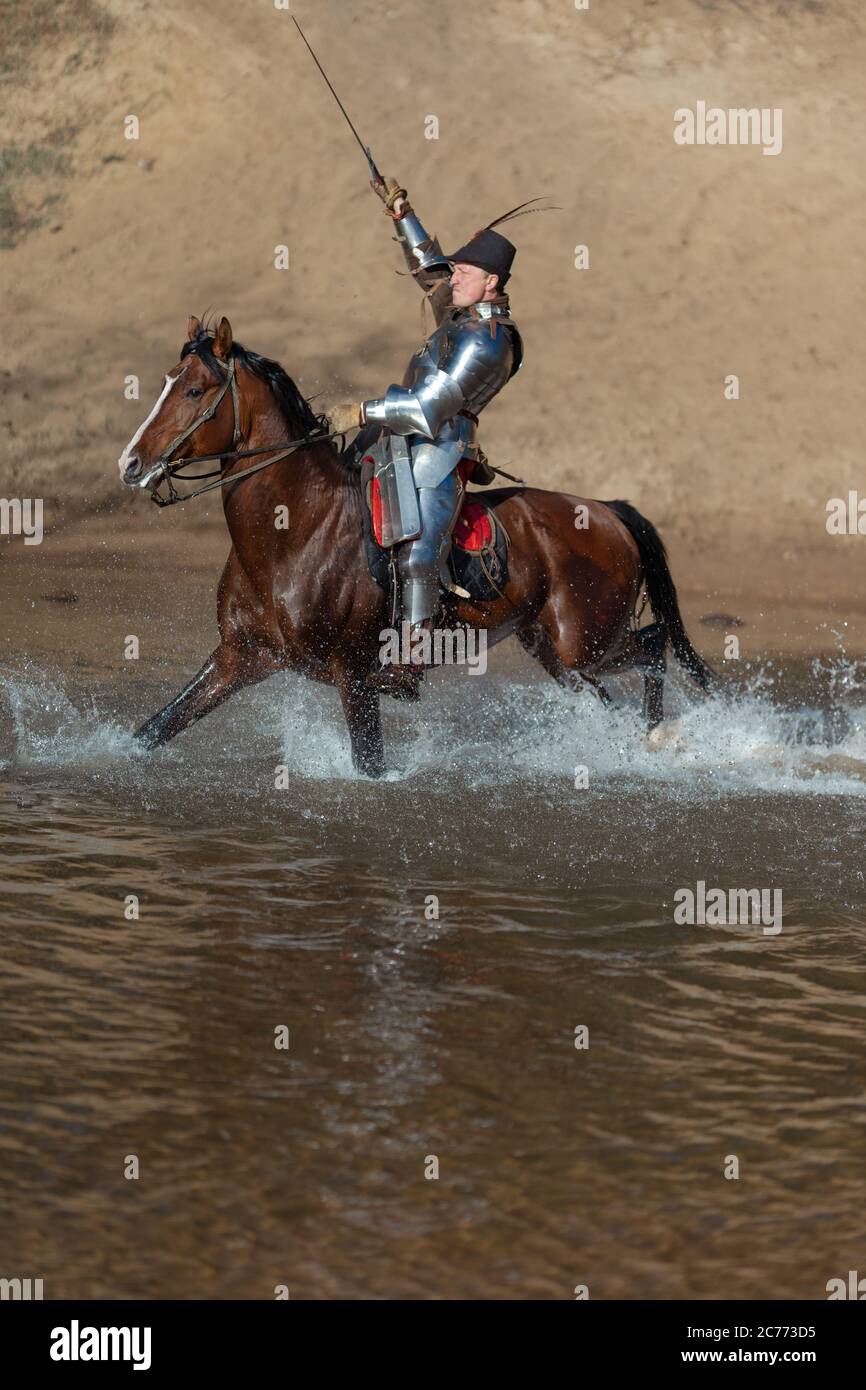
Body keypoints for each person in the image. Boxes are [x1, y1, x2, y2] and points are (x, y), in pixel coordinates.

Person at [329, 176, 523, 693]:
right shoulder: (459, 313)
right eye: (457, 268)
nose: (452, 277)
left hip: (439, 450)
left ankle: (409, 663)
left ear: (491, 282)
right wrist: (401, 213)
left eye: (465, 271)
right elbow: (430, 268)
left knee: (419, 553)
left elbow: (429, 407)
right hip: (396, 439)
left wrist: (361, 410)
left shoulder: (489, 343)